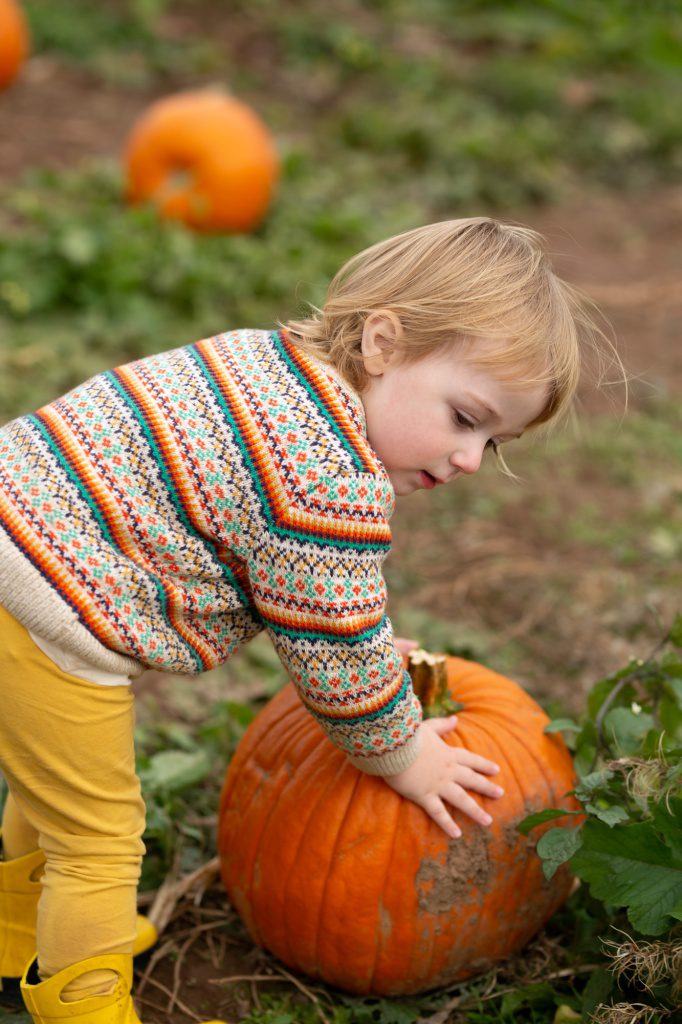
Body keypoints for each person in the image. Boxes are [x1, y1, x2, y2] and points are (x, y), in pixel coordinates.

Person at [0, 217, 616, 1023]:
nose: (469, 459)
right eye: (467, 419)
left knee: (56, 794)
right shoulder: (331, 477)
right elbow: (335, 648)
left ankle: (18, 939)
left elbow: (311, 604)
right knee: (99, 835)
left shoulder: (269, 364)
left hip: (17, 541)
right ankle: (83, 1005)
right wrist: (402, 757)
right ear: (383, 344)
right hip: (43, 608)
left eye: (494, 443)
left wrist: (349, 643)